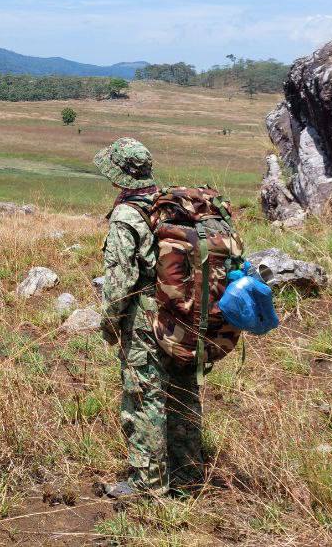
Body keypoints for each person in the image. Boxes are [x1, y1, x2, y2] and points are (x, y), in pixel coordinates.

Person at [93, 137, 202, 499]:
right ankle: (188, 475)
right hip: (185, 312)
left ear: (117, 174)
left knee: (145, 397)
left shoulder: (127, 215)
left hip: (146, 318)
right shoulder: (173, 202)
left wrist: (109, 324)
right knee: (183, 391)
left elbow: (120, 283)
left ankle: (148, 484)